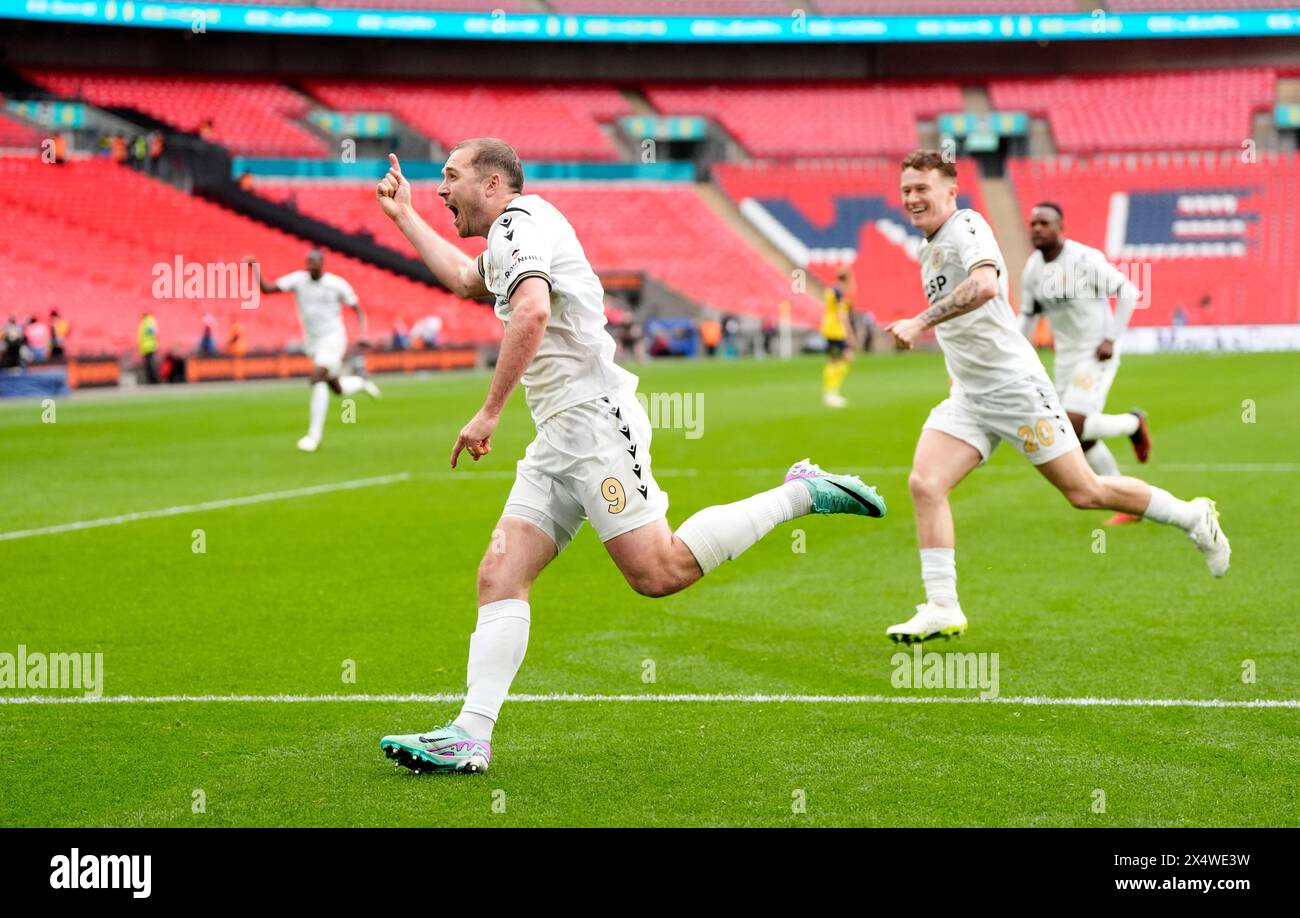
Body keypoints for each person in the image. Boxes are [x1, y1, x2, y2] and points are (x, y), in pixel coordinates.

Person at [373, 142, 886, 774]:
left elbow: (531, 311)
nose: (440, 190)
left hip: (595, 424)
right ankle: (470, 736)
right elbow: (459, 279)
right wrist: (403, 217)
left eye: (449, 178)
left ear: (494, 183)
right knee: (499, 575)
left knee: (658, 572)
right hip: (558, 436)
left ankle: (800, 492)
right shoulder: (509, 236)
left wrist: (489, 411)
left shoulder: (520, 223)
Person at [882, 150, 1229, 644]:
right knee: (925, 483)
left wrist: (919, 321)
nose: (913, 198)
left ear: (950, 192)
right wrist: (954, 377)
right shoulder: (929, 248)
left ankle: (1194, 516)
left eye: (923, 189)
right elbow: (981, 325)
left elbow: (982, 286)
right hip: (972, 396)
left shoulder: (966, 226)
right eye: (907, 190)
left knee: (1085, 492)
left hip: (1016, 390)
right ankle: (942, 606)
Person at [1020, 202, 1150, 525]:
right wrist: (1012, 350)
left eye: (1044, 223)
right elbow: (1027, 315)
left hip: (1095, 353)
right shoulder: (1033, 270)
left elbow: (1129, 291)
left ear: (1060, 226)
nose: (1037, 228)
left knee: (1072, 424)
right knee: (1075, 435)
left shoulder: (1084, 259)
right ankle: (1129, 505)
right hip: (1064, 359)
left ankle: (1133, 423)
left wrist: (1111, 337)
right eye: (1033, 223)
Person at [247, 249, 380, 452]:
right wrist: (254, 267)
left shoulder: (336, 284)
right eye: (308, 261)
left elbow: (358, 310)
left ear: (321, 263)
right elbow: (267, 289)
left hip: (334, 339)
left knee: (317, 376)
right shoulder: (298, 280)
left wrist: (363, 334)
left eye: (314, 262)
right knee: (336, 389)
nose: (310, 265)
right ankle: (360, 383)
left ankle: (313, 436)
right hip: (312, 343)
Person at [821, 267, 856, 408]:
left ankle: (831, 392)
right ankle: (831, 392)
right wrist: (850, 334)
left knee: (834, 360)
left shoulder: (832, 290)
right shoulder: (839, 293)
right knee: (842, 359)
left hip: (829, 329)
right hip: (836, 331)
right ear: (847, 279)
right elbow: (842, 315)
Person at [138, 311, 159, 384]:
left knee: (150, 365)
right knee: (149, 365)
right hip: (147, 347)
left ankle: (153, 380)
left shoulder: (148, 321)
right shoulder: (146, 321)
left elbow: (152, 332)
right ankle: (151, 380)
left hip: (149, 347)